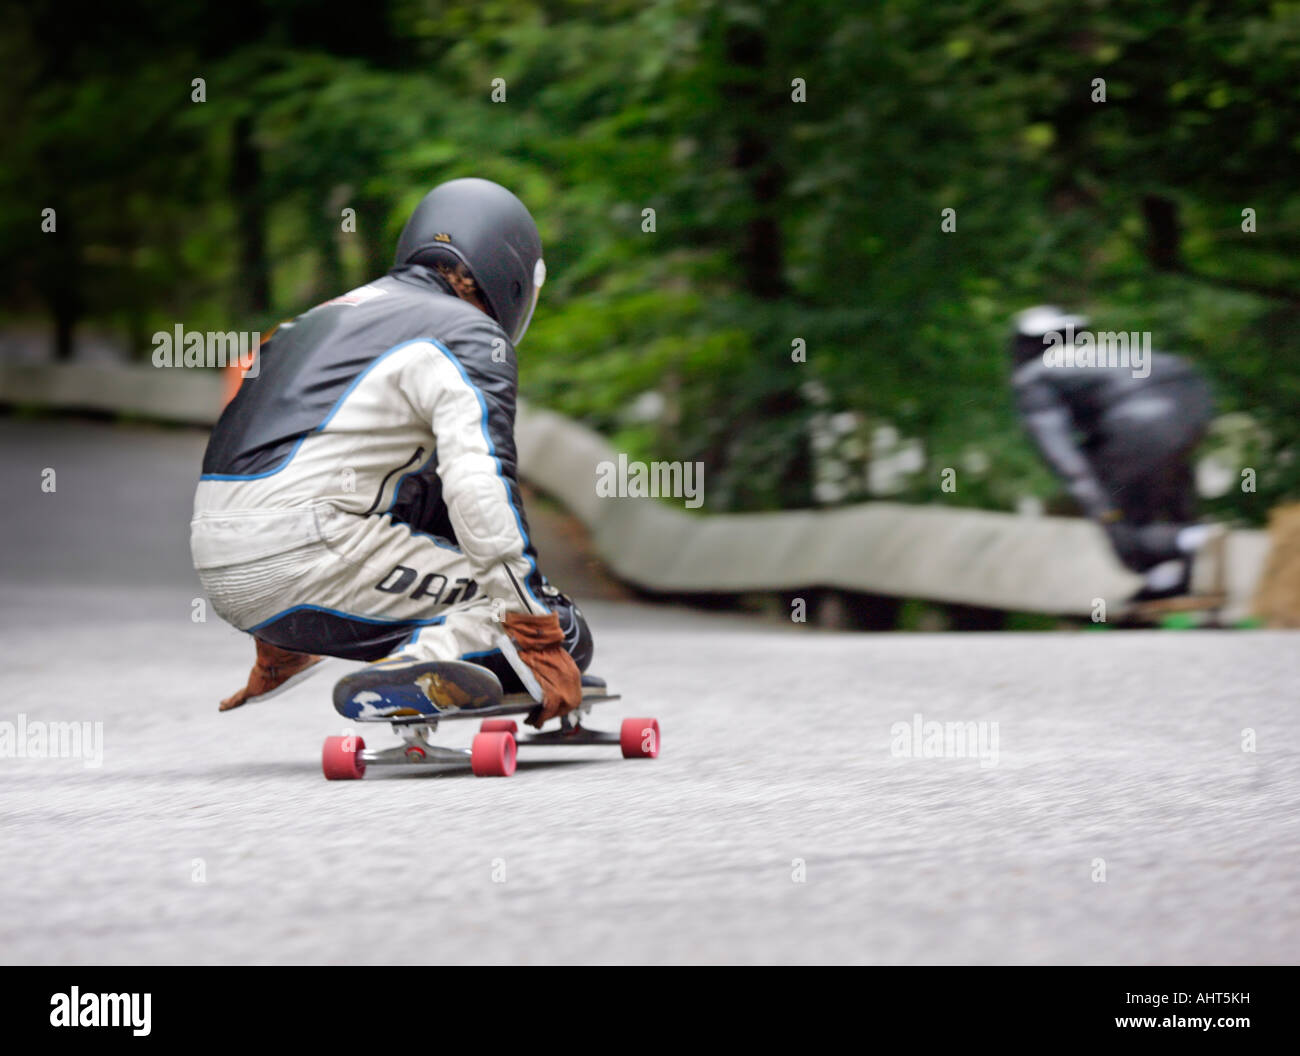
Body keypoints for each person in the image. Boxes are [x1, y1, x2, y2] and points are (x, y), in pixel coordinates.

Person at [191, 178, 591, 724]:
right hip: (308, 557)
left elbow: (257, 445)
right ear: (513, 271)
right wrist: (536, 631)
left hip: (224, 573)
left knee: (421, 485)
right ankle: (421, 665)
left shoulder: (316, 319)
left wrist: (273, 630)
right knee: (562, 625)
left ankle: (412, 650)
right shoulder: (468, 332)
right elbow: (479, 481)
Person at [1009, 306, 1218, 600]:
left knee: (1124, 519)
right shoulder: (1103, 356)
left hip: (1140, 419)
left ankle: (1195, 540)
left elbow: (1060, 452)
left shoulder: (1033, 376)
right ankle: (1170, 577)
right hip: (1193, 403)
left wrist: (1095, 501)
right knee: (1167, 495)